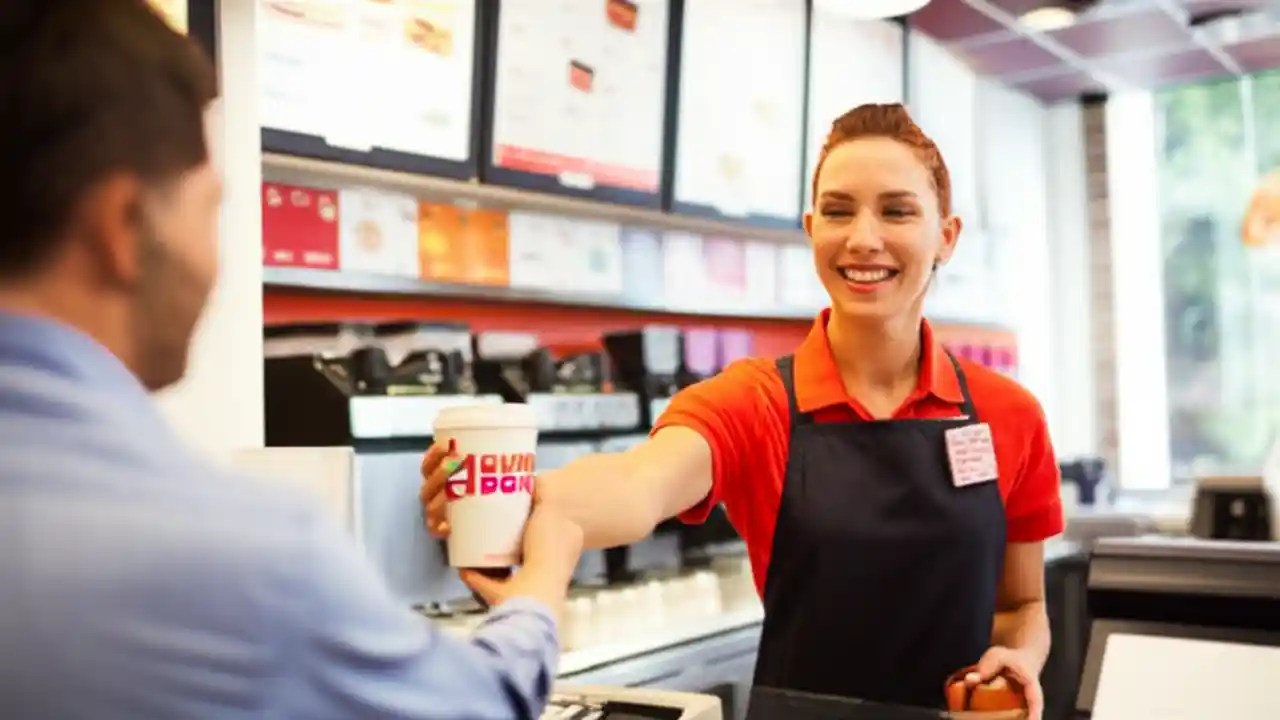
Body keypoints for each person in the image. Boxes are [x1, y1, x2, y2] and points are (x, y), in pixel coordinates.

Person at [0, 3, 580, 719]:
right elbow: (478, 707)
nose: (215, 259)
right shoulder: (245, 558)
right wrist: (537, 596)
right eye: (210, 209)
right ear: (121, 227)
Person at [424, 104, 1063, 718]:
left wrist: (1018, 659)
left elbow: (1022, 605)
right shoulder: (755, 402)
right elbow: (638, 483)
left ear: (946, 236)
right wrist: (507, 500)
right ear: (812, 230)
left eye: (896, 211)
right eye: (838, 211)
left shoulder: (1009, 414)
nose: (863, 238)